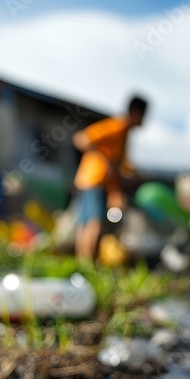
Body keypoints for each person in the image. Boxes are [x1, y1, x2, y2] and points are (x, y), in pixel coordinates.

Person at [72, 95, 148, 261]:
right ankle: (88, 264)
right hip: (94, 180)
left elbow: (121, 164)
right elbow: (81, 139)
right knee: (95, 222)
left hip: (89, 181)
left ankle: (82, 262)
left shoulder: (124, 134)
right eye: (144, 115)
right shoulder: (116, 126)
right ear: (135, 113)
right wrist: (106, 162)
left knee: (85, 223)